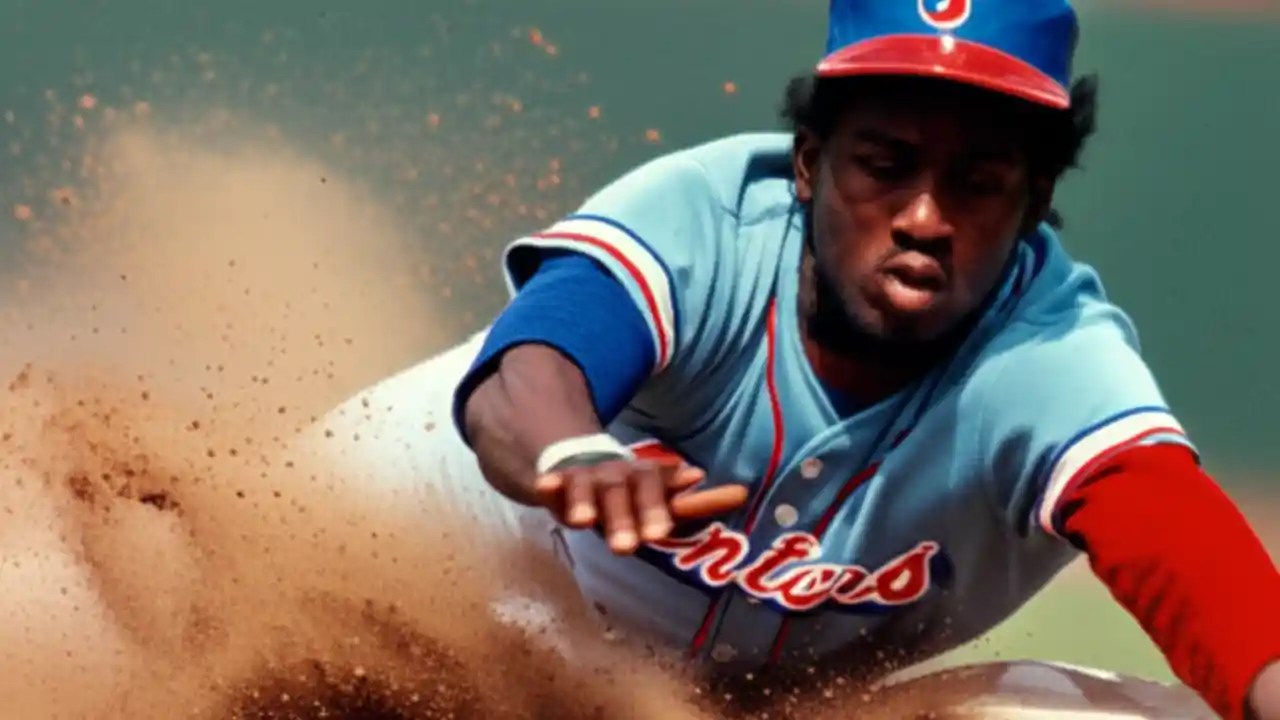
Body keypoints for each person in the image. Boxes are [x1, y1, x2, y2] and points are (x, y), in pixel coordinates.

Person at [442, 0, 1280, 717]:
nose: (923, 215)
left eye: (977, 183)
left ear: (1037, 203)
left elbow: (1186, 548)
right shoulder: (705, 223)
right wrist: (571, 449)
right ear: (808, 163)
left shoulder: (1050, 354)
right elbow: (529, 370)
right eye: (886, 166)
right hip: (444, 587)